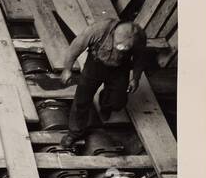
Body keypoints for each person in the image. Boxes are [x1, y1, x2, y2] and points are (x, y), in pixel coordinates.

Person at [60, 19, 151, 147]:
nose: (122, 48)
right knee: (82, 100)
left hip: (120, 68)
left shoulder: (139, 38)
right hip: (95, 65)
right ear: (113, 34)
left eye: (127, 47)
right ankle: (74, 133)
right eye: (119, 45)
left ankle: (106, 103)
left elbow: (140, 59)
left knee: (118, 101)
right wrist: (67, 69)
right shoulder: (97, 30)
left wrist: (135, 78)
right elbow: (75, 48)